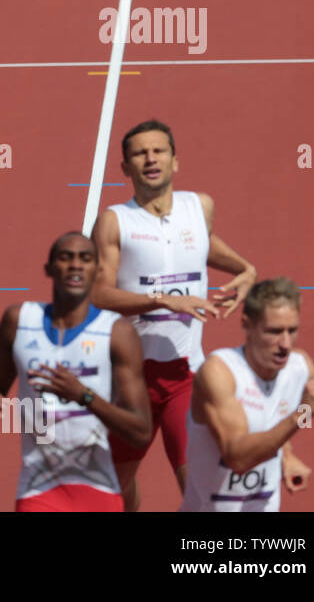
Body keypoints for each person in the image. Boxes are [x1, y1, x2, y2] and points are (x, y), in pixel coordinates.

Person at [90, 119, 257, 511]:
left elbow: (201, 242)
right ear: (125, 167)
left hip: (187, 378)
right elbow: (98, 293)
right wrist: (161, 300)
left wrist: (245, 269)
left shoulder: (199, 207)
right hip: (129, 382)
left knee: (200, 489)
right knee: (113, 487)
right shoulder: (115, 221)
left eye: (158, 151)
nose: (150, 159)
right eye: (139, 153)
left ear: (175, 161)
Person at [0, 232, 151, 511]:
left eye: (85, 259)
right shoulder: (19, 322)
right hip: (39, 489)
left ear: (97, 270)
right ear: (49, 269)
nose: (75, 265)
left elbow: (141, 431)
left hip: (97, 490)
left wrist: (84, 396)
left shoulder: (117, 332)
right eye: (66, 257)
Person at [180, 278, 314, 511]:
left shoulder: (301, 368)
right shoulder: (220, 373)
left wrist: (287, 455)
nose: (285, 344)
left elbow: (286, 413)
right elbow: (237, 458)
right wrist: (302, 414)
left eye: (292, 330)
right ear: (247, 325)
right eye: (274, 331)